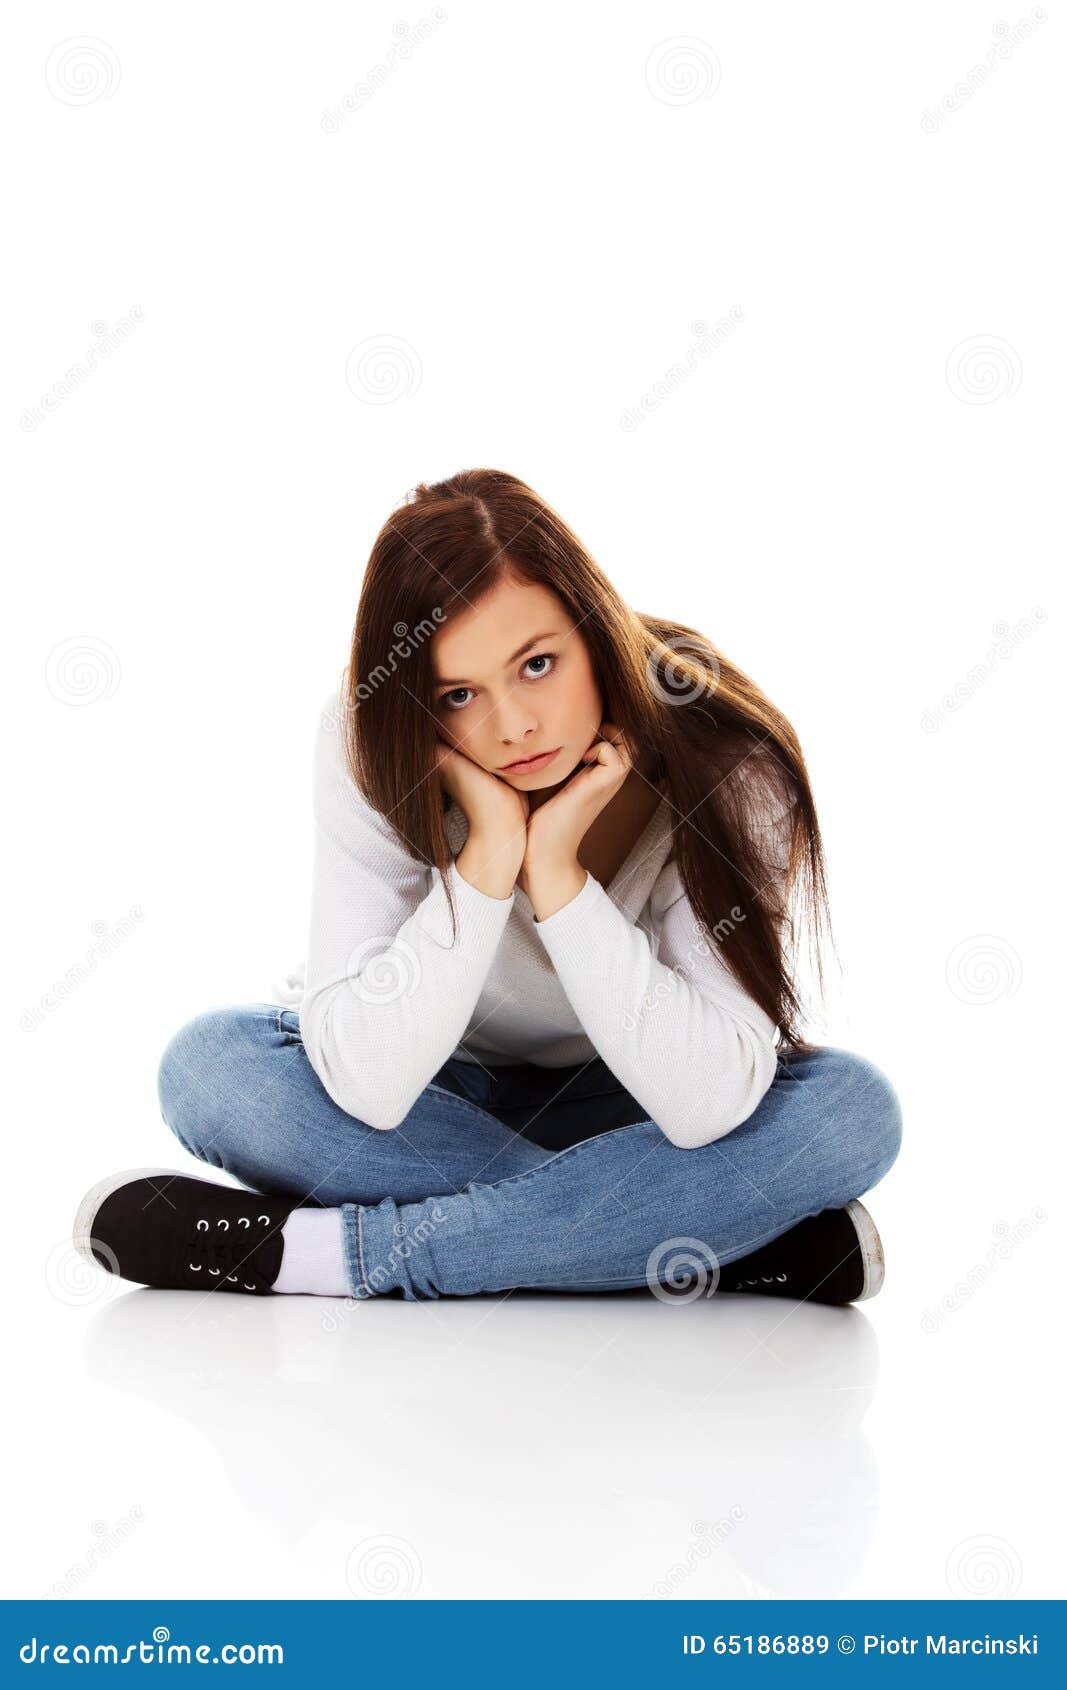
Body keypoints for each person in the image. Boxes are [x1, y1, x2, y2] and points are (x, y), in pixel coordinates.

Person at [73, 468, 902, 1306]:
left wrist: (558, 875)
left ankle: (337, 1257)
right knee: (211, 1068)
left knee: (847, 1113)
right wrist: (491, 854)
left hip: (631, 1102)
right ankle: (701, 1243)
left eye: (537, 663)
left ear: (595, 629)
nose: (513, 727)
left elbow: (704, 1103)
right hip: (432, 1099)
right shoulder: (367, 741)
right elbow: (368, 1083)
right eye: (458, 695)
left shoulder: (726, 760)